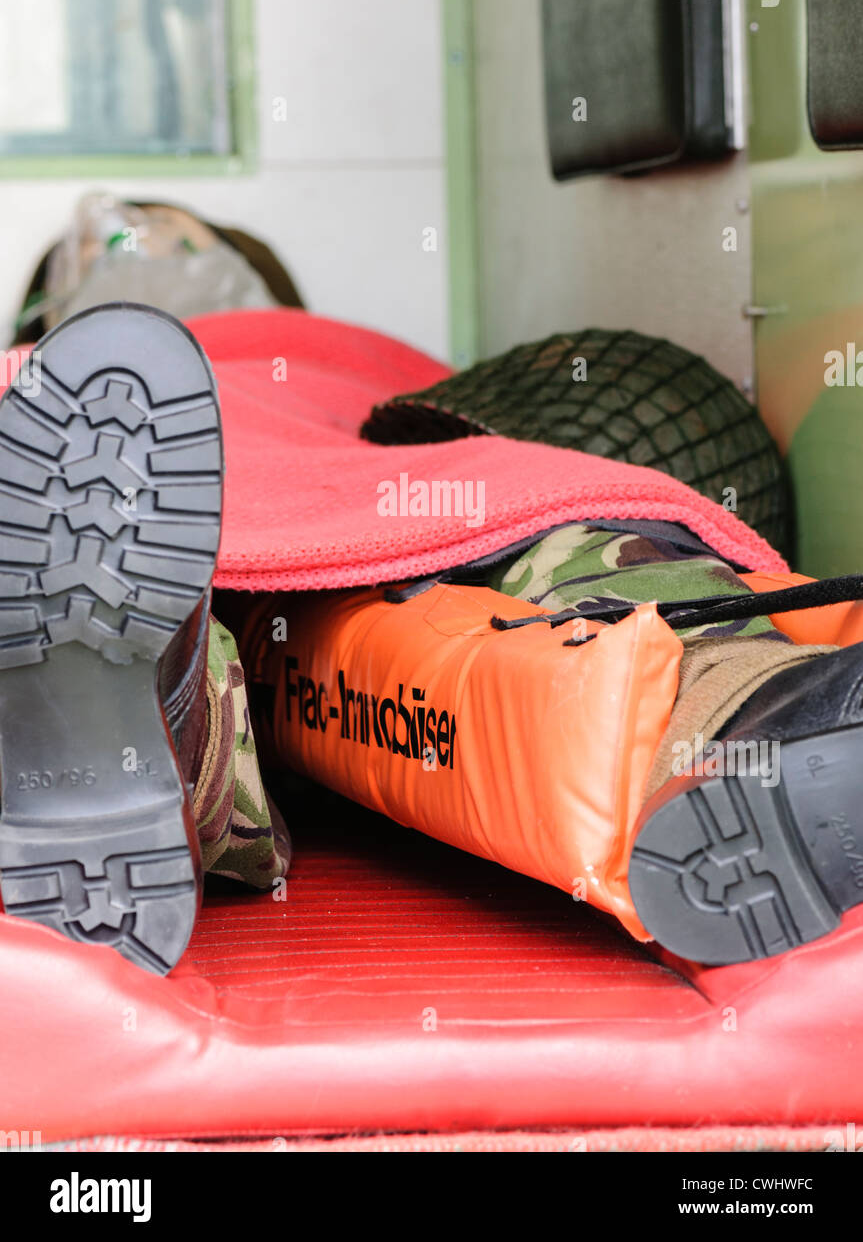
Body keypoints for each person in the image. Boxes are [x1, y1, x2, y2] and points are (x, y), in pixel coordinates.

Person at [0, 303, 860, 973]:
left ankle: (160, 729)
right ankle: (745, 714)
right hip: (324, 511)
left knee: (505, 550)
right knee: (564, 549)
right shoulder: (275, 350)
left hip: (322, 490)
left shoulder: (304, 351)